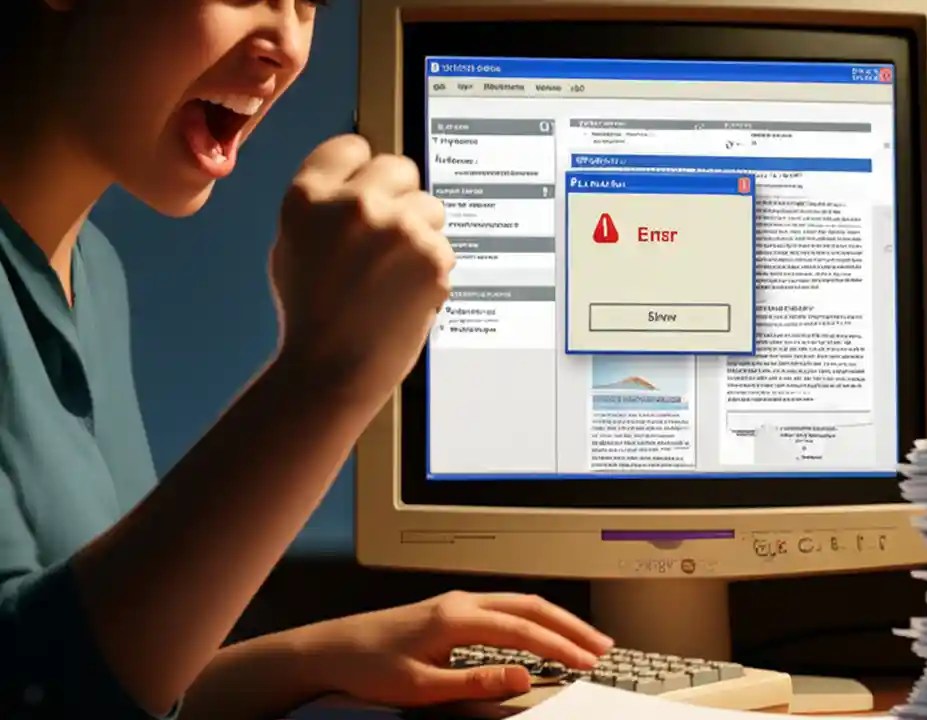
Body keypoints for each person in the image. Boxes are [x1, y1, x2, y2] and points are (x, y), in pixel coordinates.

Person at [0, 1, 614, 718]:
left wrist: (310, 657)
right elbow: (39, 694)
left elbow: (93, 679)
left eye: (309, 4)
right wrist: (329, 375)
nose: (287, 47)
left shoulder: (93, 273)